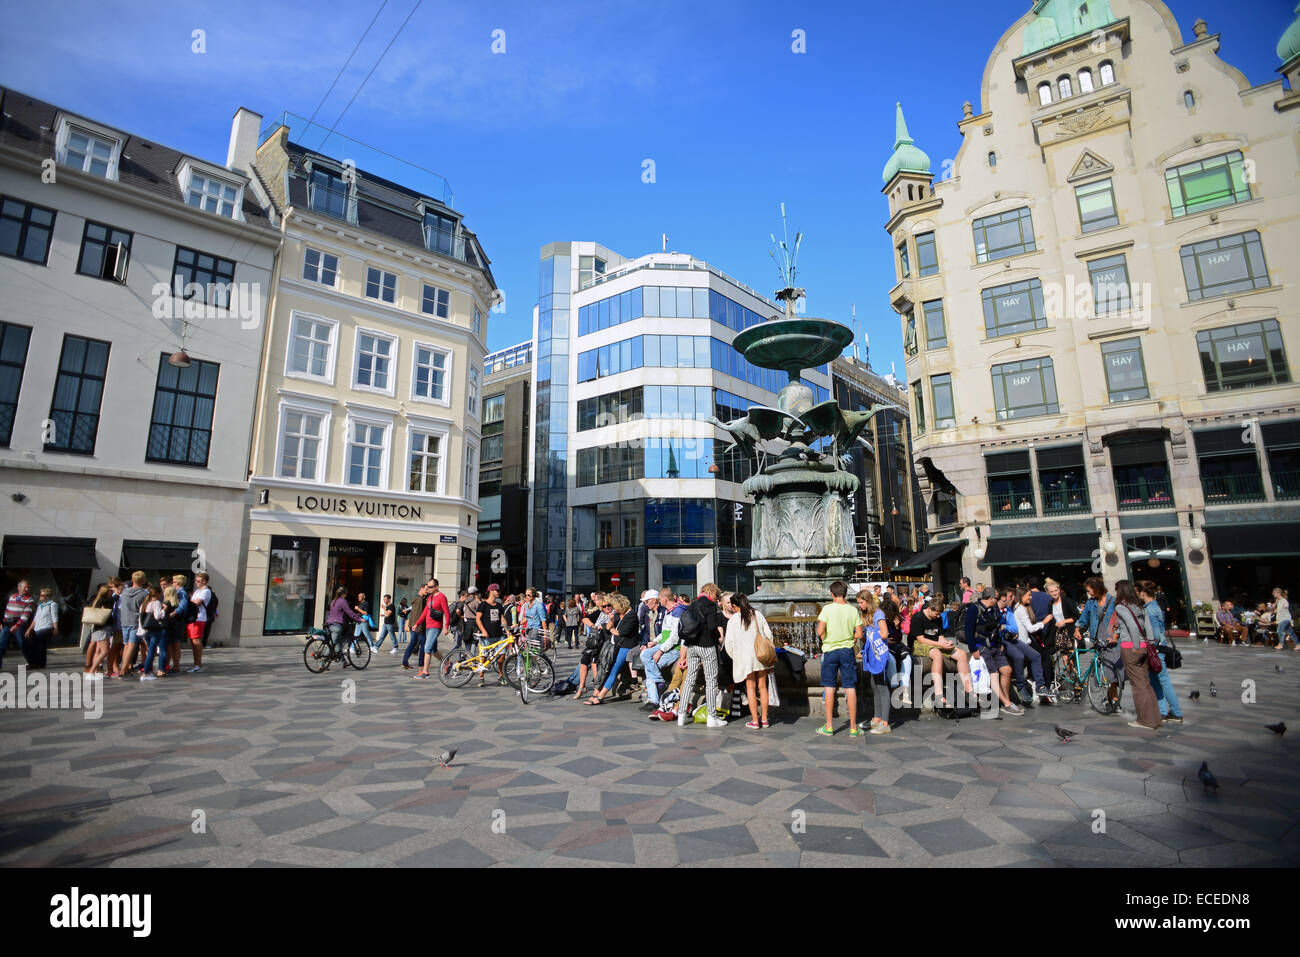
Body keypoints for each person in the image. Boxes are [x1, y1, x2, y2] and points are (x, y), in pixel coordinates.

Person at [964, 587, 1024, 716]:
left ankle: (1004, 700)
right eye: (996, 598)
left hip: (995, 646)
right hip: (982, 647)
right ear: (991, 598)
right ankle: (1007, 704)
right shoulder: (974, 609)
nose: (997, 600)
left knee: (1007, 670)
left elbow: (996, 627)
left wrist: (1000, 642)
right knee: (994, 674)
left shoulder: (994, 608)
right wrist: (973, 649)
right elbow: (968, 630)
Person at [1111, 580, 1162, 730]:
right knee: (1146, 683)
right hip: (1146, 647)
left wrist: (1135, 645)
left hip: (1130, 647)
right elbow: (1147, 625)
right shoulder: (1140, 605)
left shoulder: (1121, 607)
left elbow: (1132, 626)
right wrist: (1150, 642)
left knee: (1138, 686)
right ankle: (1155, 719)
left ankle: (1145, 720)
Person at [816, 580, 863, 736]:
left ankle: (829, 726)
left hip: (830, 651)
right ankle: (853, 727)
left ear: (832, 594)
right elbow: (859, 633)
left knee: (829, 687)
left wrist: (825, 638)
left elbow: (819, 631)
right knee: (850, 687)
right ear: (845, 593)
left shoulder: (827, 609)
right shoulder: (852, 610)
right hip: (847, 651)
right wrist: (851, 638)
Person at [677, 583, 726, 729]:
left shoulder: (693, 603)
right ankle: (712, 716)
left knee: (689, 680)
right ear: (712, 593)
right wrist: (719, 635)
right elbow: (711, 627)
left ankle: (681, 715)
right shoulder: (709, 605)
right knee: (711, 681)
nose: (717, 599)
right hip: (706, 646)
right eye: (716, 596)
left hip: (691, 645)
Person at [723, 593, 773, 730]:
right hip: (760, 655)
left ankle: (755, 721)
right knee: (763, 687)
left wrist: (736, 656)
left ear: (734, 606)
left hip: (745, 658)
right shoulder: (757, 615)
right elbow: (769, 635)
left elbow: (729, 643)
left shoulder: (733, 620)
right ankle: (765, 719)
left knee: (750, 688)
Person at [913, 596, 971, 708]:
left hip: (935, 642)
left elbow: (939, 636)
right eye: (936, 614)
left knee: (962, 654)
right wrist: (940, 645)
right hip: (920, 644)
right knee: (937, 654)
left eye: (940, 614)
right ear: (930, 609)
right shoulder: (918, 617)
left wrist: (946, 643)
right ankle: (939, 694)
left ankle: (969, 690)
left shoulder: (938, 618)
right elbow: (920, 639)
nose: (938, 616)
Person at [1138, 580, 1182, 724]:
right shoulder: (1154, 606)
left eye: (1137, 591)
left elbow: (1155, 633)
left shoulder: (1150, 609)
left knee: (1163, 681)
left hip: (1156, 650)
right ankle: (1162, 711)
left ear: (1143, 593)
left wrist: (1150, 647)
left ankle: (1176, 712)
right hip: (1158, 648)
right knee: (1156, 681)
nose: (1136, 594)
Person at [1076, 577, 1122, 707]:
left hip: (1112, 640)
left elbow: (1119, 621)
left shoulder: (1113, 601)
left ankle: (1113, 698)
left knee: (1113, 670)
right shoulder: (1091, 602)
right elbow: (1084, 617)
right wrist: (1078, 628)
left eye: (1090, 590)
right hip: (1098, 639)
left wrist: (1116, 635)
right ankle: (1112, 699)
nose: (1089, 593)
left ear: (1098, 588)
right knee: (1105, 670)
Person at [587, 593, 639, 705]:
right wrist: (612, 623)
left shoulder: (631, 615)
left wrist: (614, 630)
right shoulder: (618, 614)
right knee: (604, 667)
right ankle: (596, 693)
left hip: (626, 646)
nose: (613, 608)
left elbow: (621, 632)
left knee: (613, 670)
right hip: (614, 645)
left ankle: (601, 696)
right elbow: (608, 628)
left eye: (614, 606)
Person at [856, 590, 892, 733]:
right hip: (872, 654)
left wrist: (871, 636)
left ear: (868, 601)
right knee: (874, 685)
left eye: (861, 602)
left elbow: (884, 633)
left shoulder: (878, 614)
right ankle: (877, 718)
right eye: (858, 602)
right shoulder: (866, 615)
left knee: (882, 686)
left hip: (879, 655)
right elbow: (867, 637)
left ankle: (885, 723)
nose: (859, 605)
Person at [1011, 588, 1055, 703]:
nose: (1030, 598)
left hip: (1023, 641)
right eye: (1028, 596)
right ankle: (1040, 686)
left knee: (1030, 659)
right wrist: (1044, 622)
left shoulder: (1018, 607)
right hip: (1021, 642)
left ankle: (1035, 685)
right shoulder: (1021, 609)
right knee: (1036, 657)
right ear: (1021, 596)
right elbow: (1030, 628)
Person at [642, 589, 684, 711]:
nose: (659, 602)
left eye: (660, 599)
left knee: (652, 665)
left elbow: (674, 637)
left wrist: (660, 651)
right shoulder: (668, 612)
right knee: (645, 656)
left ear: (665, 599)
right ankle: (660, 681)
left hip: (673, 649)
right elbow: (664, 633)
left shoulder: (677, 612)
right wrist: (655, 641)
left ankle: (653, 699)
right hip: (664, 645)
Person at [414, 579, 450, 678]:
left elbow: (447, 612)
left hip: (436, 626)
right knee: (433, 650)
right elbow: (425, 612)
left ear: (436, 587)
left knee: (427, 648)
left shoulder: (442, 597)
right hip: (428, 626)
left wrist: (446, 627)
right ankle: (448, 664)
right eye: (427, 587)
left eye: (430, 587)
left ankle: (425, 672)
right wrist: (417, 624)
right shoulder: (430, 597)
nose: (428, 589)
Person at [473, 584, 507, 687]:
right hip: (487, 635)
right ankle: (481, 677)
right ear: (491, 591)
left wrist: (507, 630)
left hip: (499, 634)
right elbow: (478, 618)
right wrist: (483, 631)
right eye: (497, 590)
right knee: (483, 657)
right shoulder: (483, 605)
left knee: (502, 656)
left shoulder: (499, 605)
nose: (498, 592)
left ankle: (501, 675)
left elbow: (502, 618)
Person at [116, 571, 148, 676]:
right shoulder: (144, 593)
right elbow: (145, 608)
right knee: (132, 645)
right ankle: (124, 669)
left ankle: (124, 667)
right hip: (135, 621)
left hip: (124, 621)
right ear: (143, 580)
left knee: (126, 645)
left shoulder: (124, 592)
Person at [1, 579, 35, 669]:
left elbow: (26, 615)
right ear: (19, 587)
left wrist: (17, 625)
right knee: (1, 644)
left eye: (28, 587)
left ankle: (32, 662)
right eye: (25, 587)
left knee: (22, 643)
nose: (27, 589)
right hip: (7, 623)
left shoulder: (29, 599)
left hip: (18, 623)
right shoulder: (12, 596)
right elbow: (7, 611)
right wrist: (3, 622)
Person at [83, 584, 115, 679]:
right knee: (105, 651)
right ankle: (92, 671)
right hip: (103, 628)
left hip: (97, 628)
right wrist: (117, 593)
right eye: (110, 591)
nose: (112, 593)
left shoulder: (97, 600)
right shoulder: (104, 600)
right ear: (106, 592)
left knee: (98, 650)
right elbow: (114, 599)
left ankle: (94, 670)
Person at [138, 586, 169, 680]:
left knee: (151, 651)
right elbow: (157, 616)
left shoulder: (145, 603)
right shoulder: (156, 602)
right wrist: (164, 610)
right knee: (151, 651)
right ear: (159, 594)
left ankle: (147, 671)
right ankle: (146, 673)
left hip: (144, 630)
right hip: (153, 629)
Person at [23, 587, 58, 670]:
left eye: (42, 595)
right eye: (40, 594)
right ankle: (41, 663)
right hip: (38, 628)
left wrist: (56, 628)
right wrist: (29, 629)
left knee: (35, 642)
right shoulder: (40, 606)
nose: (40, 596)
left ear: (47, 596)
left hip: (47, 627)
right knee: (41, 645)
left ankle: (33, 663)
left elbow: (55, 617)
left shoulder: (52, 605)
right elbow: (35, 619)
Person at [186, 572, 213, 673]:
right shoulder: (198, 591)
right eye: (196, 581)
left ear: (204, 581)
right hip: (193, 618)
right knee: (193, 642)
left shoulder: (206, 591)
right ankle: (196, 664)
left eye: (198, 581)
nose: (196, 582)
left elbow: (197, 602)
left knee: (196, 641)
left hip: (199, 618)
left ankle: (198, 664)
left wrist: (188, 600)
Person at [326, 587, 361, 657]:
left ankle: (343, 662)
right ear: (343, 594)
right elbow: (349, 611)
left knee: (338, 644)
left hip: (329, 624)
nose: (346, 595)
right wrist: (358, 619)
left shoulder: (333, 601)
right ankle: (322, 663)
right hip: (337, 625)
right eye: (346, 593)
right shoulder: (342, 601)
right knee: (332, 645)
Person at [400, 584, 427, 670]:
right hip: (417, 626)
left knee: (412, 643)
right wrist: (418, 625)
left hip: (412, 624)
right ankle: (421, 663)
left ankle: (405, 662)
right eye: (426, 589)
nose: (427, 591)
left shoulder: (416, 599)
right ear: (421, 589)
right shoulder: (420, 600)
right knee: (423, 642)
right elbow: (419, 614)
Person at [167, 575, 190, 674]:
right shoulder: (177, 592)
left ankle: (176, 666)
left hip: (178, 621)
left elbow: (182, 606)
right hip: (174, 620)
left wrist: (173, 614)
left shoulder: (181, 592)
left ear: (177, 582)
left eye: (173, 581)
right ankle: (170, 665)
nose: (172, 582)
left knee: (176, 644)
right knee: (171, 644)